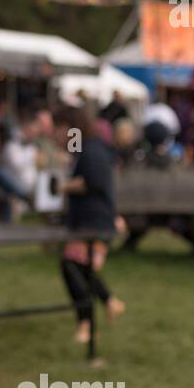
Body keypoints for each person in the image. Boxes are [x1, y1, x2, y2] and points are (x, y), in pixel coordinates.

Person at [53, 106, 124, 355]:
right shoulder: (85, 147)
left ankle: (89, 323)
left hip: (94, 224)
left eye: (58, 128)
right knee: (79, 268)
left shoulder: (92, 150)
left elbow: (91, 182)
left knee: (73, 267)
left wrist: (61, 187)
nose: (55, 134)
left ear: (69, 127)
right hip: (88, 223)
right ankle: (107, 304)